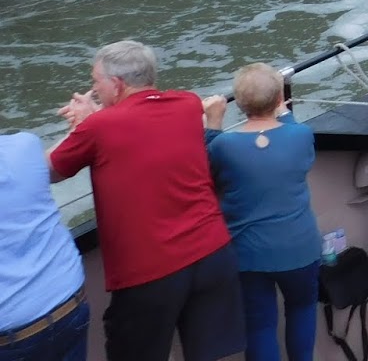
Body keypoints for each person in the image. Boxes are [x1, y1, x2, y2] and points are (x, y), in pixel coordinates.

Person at [49, 41, 243, 361]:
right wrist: (97, 117)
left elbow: (51, 170)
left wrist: (84, 123)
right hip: (212, 254)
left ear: (117, 84)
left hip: (150, 273)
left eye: (96, 82)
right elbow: (138, 124)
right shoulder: (187, 103)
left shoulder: (98, 127)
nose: (94, 89)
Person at [202, 66, 322, 361]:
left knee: (259, 326)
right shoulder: (301, 135)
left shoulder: (224, 145)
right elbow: (292, 134)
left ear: (238, 105)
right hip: (300, 247)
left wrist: (213, 121)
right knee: (303, 308)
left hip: (248, 253)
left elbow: (205, 172)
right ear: (280, 97)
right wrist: (283, 111)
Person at [0, 132, 88, 361]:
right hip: (69, 302)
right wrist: (79, 128)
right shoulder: (25, 145)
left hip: (12, 335)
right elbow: (50, 164)